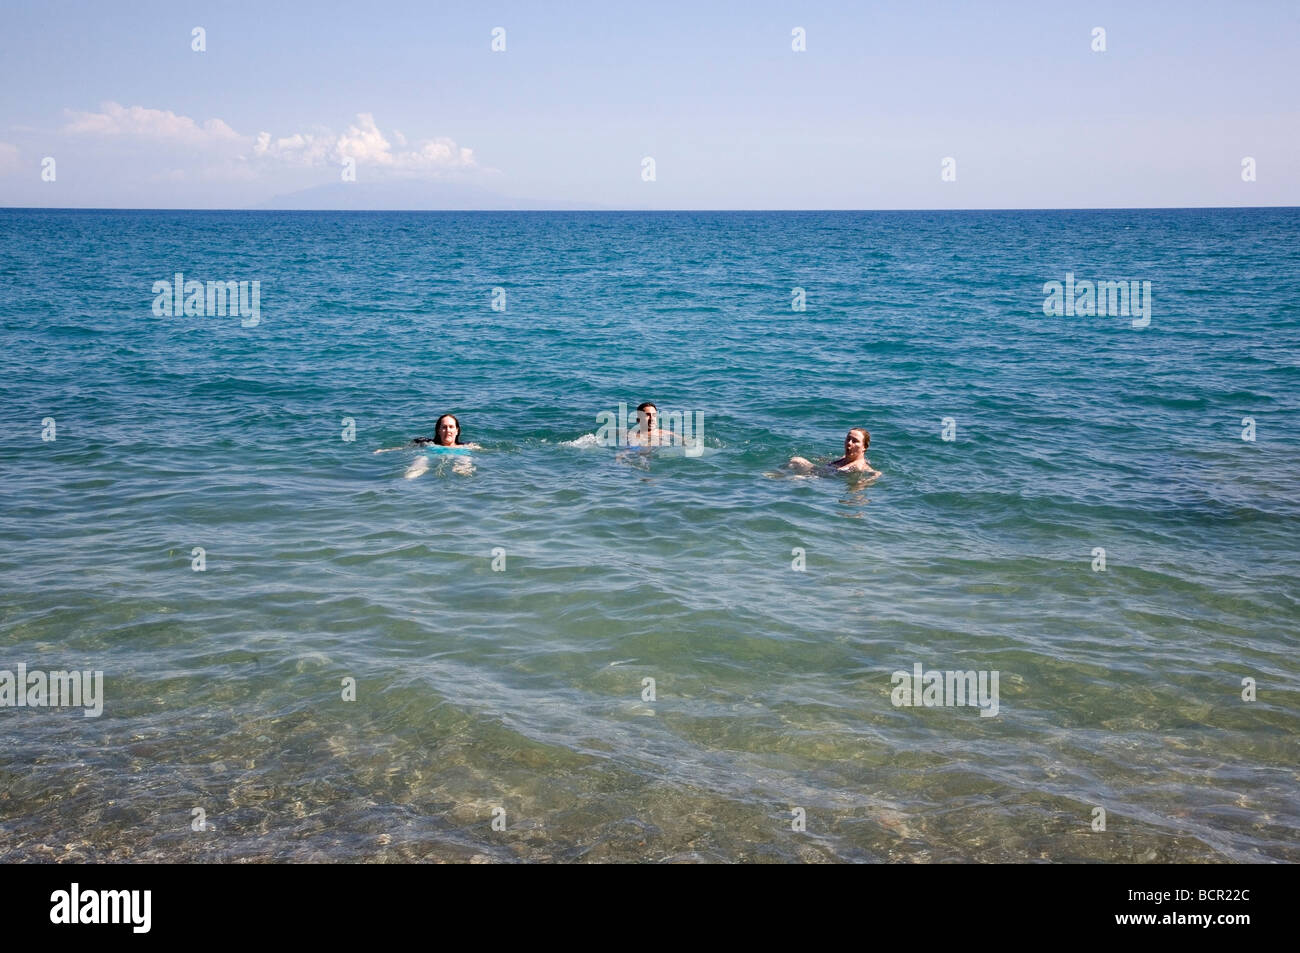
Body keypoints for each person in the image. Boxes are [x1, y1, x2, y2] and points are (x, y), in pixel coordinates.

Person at [373, 414, 479, 478]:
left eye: (451, 427)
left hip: (458, 454)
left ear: (457, 430)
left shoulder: (466, 446)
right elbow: (404, 448)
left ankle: (462, 472)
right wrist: (384, 450)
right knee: (421, 458)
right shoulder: (428, 443)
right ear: (438, 431)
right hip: (433, 453)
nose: (448, 431)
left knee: (465, 457)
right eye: (444, 427)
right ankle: (410, 478)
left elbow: (485, 450)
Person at [788, 428, 881, 478]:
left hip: (821, 480)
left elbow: (874, 472)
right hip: (819, 473)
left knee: (796, 474)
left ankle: (777, 478)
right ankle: (777, 475)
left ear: (864, 447)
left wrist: (873, 477)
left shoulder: (859, 465)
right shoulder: (845, 458)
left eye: (855, 441)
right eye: (848, 439)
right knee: (795, 460)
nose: (849, 443)